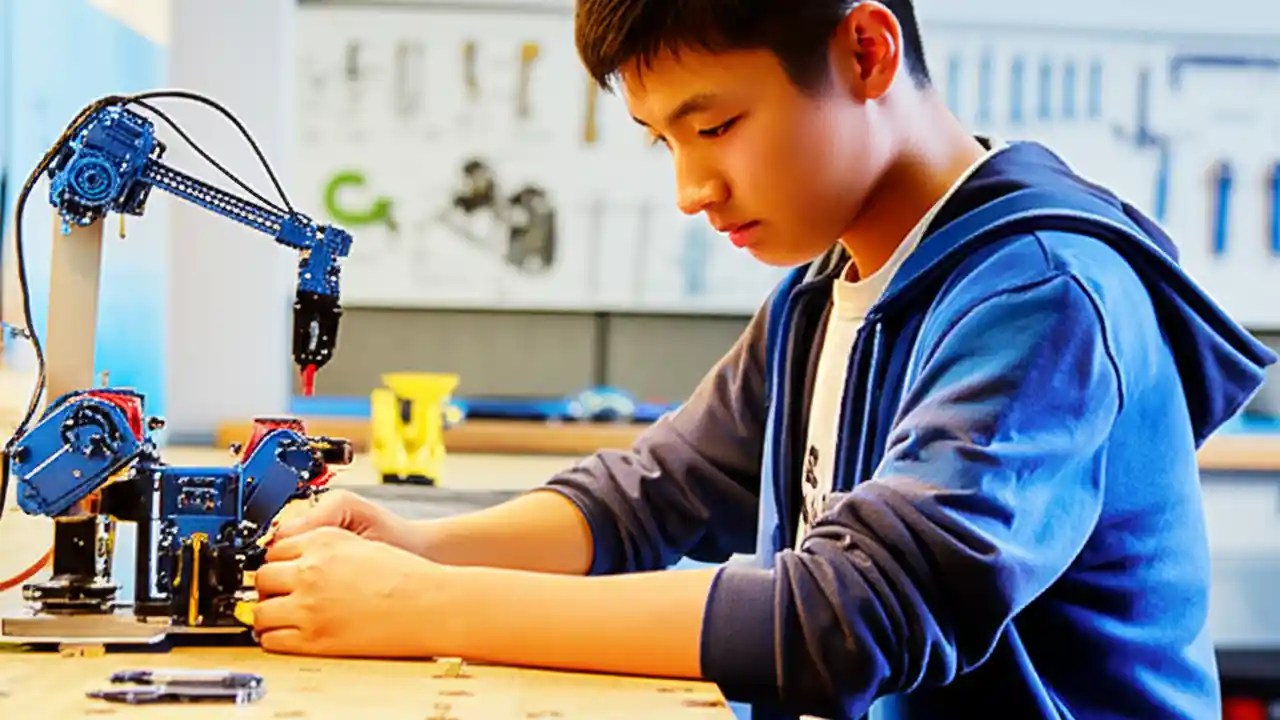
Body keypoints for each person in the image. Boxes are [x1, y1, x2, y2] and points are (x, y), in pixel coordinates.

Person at [249, 2, 1277, 718]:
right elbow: (646, 498)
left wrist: (422, 609)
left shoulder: (1042, 293)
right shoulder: (822, 291)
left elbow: (850, 620)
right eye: (664, 141)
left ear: (866, 52)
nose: (691, 188)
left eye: (716, 125)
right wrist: (421, 548)